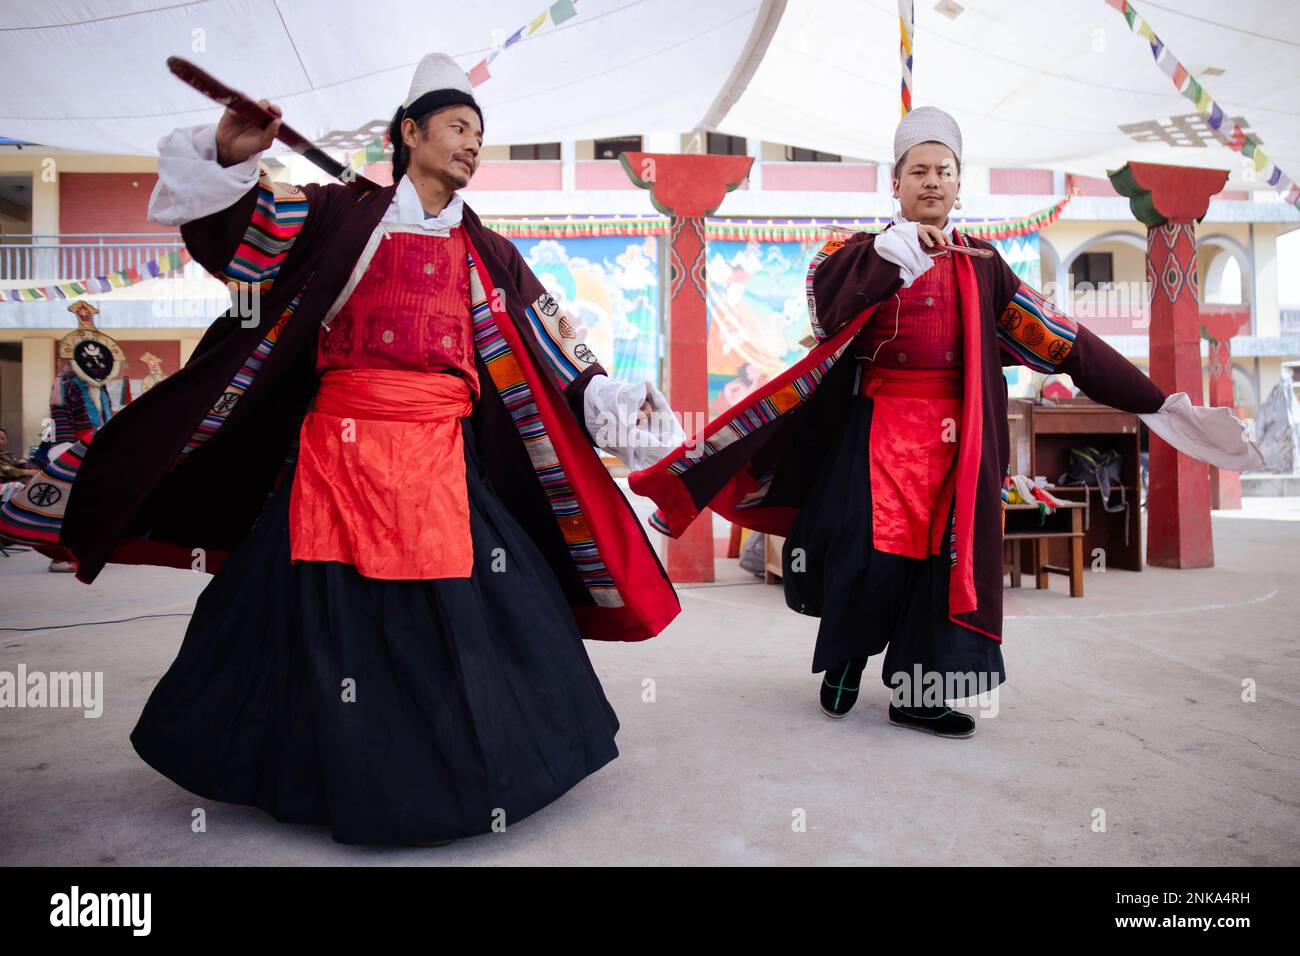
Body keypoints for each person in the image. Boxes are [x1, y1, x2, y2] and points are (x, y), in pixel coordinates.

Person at [0, 53, 683, 844]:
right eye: (458, 127)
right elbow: (239, 244)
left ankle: (458, 777)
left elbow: (554, 342)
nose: (471, 145)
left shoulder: (488, 252)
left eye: (479, 134)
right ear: (409, 133)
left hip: (440, 463)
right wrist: (231, 154)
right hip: (336, 454)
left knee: (489, 613)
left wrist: (613, 399)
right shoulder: (337, 216)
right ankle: (328, 772)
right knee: (310, 620)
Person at [630, 106, 1261, 739]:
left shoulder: (983, 265)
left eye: (946, 171)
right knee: (866, 553)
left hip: (959, 445)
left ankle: (920, 694)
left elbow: (1066, 342)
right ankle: (846, 660)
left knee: (944, 567)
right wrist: (886, 255)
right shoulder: (854, 253)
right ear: (896, 184)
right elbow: (828, 306)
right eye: (919, 171)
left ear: (959, 185)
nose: (933, 181)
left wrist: (1158, 403)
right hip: (875, 434)